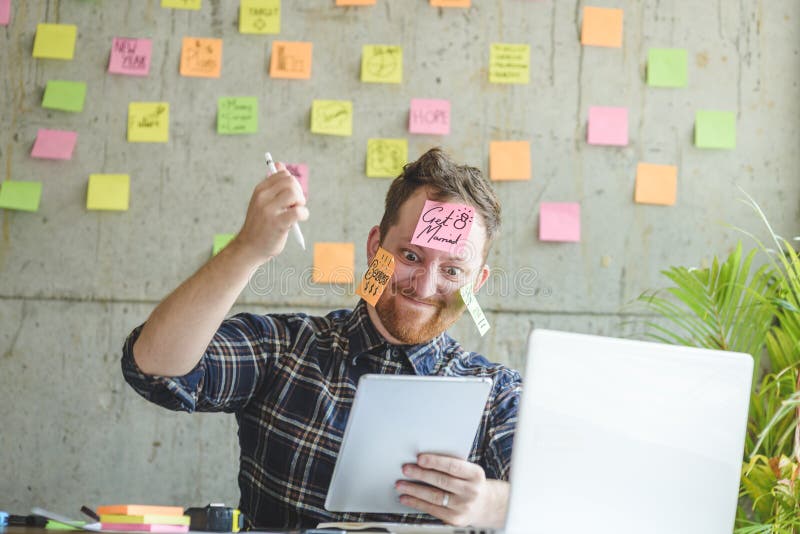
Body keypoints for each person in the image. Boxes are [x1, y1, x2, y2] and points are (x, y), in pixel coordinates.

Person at [121, 147, 522, 530]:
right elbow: (154, 369)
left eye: (452, 271)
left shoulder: (495, 394)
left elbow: (565, 500)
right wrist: (247, 249)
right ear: (374, 247)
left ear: (476, 283)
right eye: (411, 256)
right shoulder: (286, 348)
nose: (424, 285)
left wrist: (487, 502)